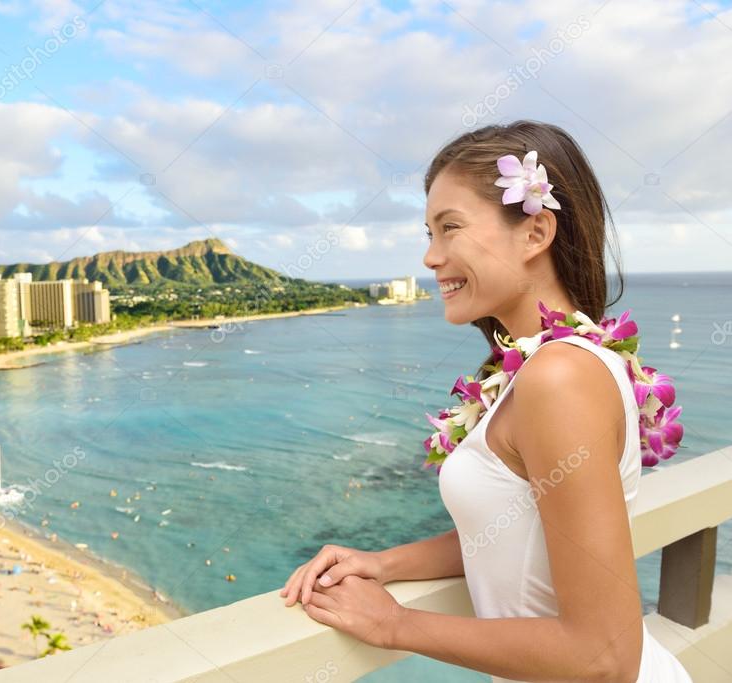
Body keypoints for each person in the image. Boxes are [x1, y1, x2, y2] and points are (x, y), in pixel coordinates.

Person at [280, 120, 692, 682]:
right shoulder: (544, 366)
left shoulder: (559, 377)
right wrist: (382, 563)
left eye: (450, 228)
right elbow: (517, 530)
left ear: (534, 233)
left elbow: (605, 657)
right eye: (428, 232)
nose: (430, 257)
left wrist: (397, 626)